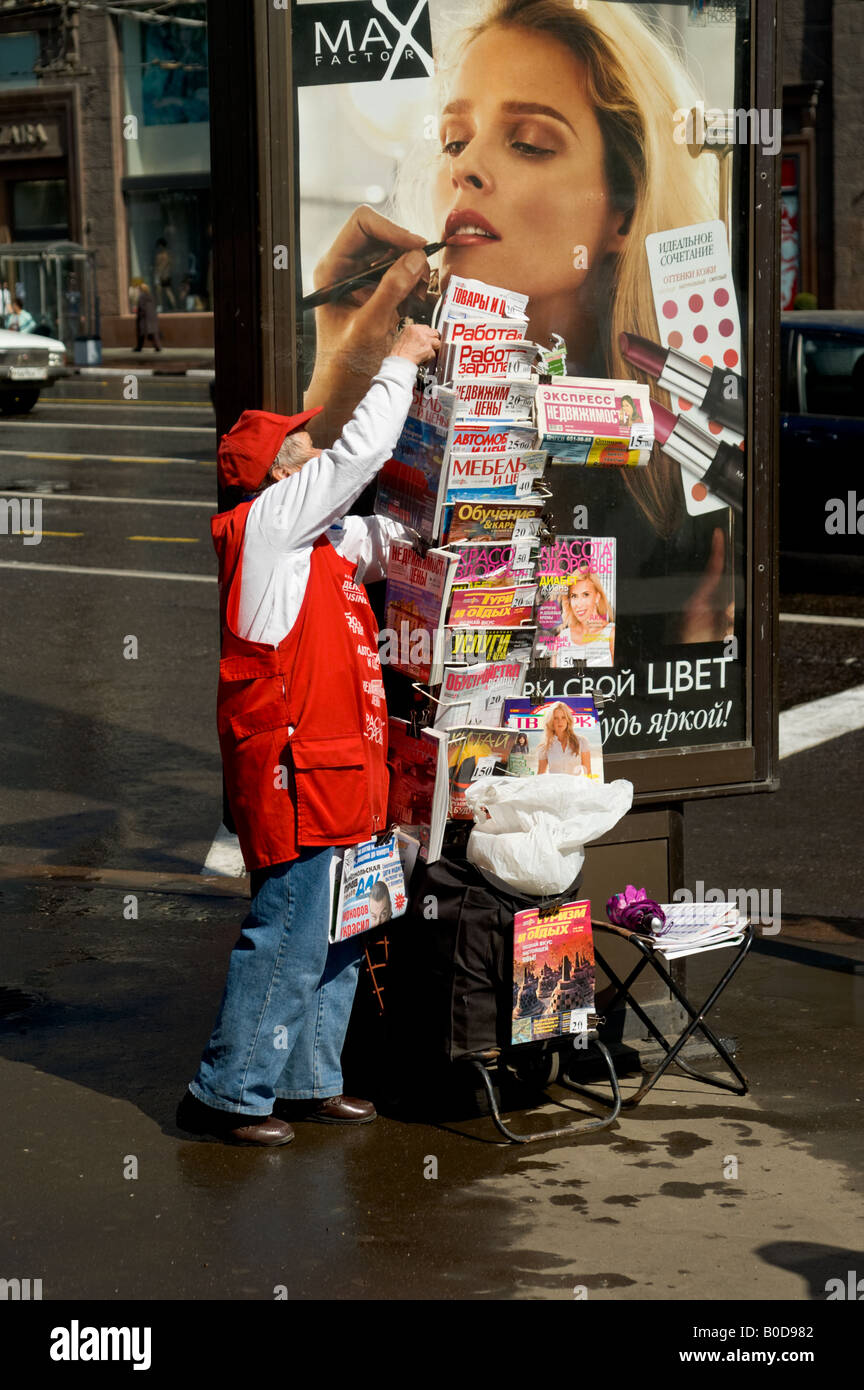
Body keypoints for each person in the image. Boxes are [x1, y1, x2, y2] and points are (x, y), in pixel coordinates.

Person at [304, 0, 733, 645]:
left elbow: (635, 695)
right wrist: (339, 380)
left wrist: (698, 643)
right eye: (454, 139)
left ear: (623, 210)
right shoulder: (402, 396)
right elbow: (284, 584)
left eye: (528, 143)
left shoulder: (675, 468)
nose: (463, 166)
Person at [176, 321, 440, 1147]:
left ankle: (309, 1079)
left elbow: (393, 536)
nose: (314, 446)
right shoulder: (265, 529)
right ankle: (227, 1092)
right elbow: (356, 460)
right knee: (289, 935)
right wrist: (397, 362)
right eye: (301, 443)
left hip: (342, 775)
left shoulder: (319, 542)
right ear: (280, 473)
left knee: (342, 932)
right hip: (297, 777)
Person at [550, 565, 615, 668]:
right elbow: (553, 681)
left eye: (585, 595)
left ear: (597, 597)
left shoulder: (611, 634)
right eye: (574, 596)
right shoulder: (562, 638)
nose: (579, 604)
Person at [537, 703, 591, 776]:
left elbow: (588, 773)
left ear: (568, 719)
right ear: (551, 721)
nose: (560, 722)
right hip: (554, 787)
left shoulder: (582, 742)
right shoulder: (544, 747)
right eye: (556, 718)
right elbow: (540, 776)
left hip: (575, 787)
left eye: (563, 717)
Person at [134, 283, 161, 352]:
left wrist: (139, 316)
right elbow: (154, 306)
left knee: (141, 333)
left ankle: (139, 347)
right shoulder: (150, 296)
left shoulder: (141, 296)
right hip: (152, 317)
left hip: (144, 318)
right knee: (152, 333)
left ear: (141, 289)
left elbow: (141, 307)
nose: (138, 290)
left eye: (138, 289)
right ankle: (157, 346)